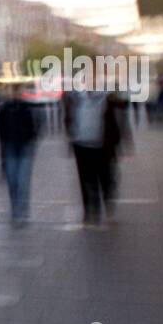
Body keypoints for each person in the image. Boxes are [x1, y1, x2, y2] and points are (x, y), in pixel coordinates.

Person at [64, 76, 119, 226]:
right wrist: (71, 135)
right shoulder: (75, 98)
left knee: (104, 177)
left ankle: (107, 198)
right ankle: (89, 210)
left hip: (102, 146)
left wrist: (117, 145)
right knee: (85, 179)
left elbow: (115, 123)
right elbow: (68, 118)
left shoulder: (106, 98)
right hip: (81, 145)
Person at [0, 86, 38, 225]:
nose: (15, 94)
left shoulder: (27, 108)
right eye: (13, 91)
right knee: (13, 181)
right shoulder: (5, 109)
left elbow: (35, 126)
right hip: (10, 148)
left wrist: (30, 139)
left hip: (24, 148)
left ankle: (22, 213)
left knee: (22, 182)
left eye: (18, 91)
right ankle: (15, 211)